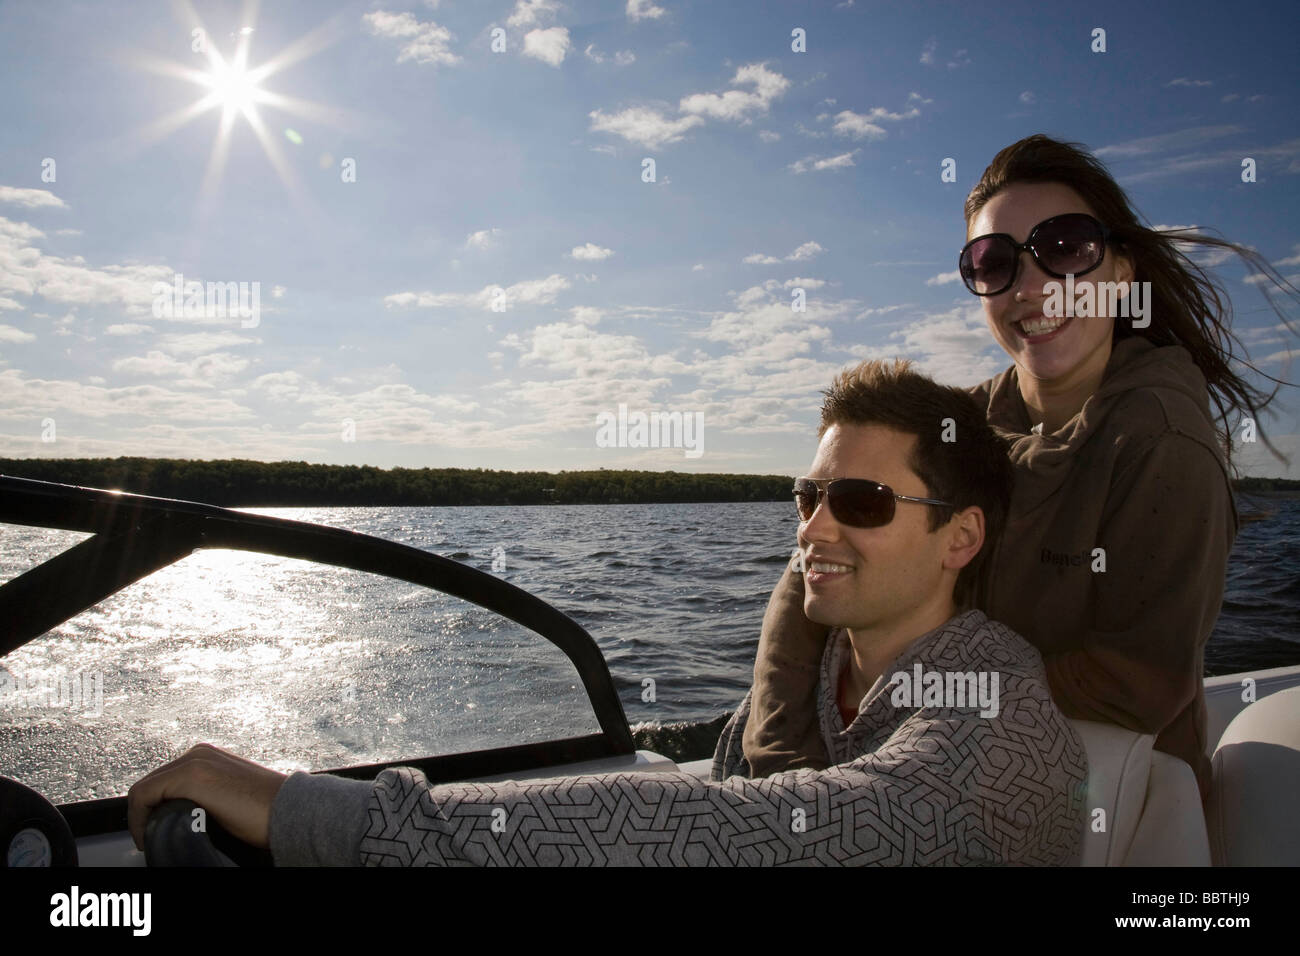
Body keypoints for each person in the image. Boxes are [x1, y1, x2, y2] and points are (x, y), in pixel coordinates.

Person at [127, 360, 1087, 866]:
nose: (815, 529)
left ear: (961, 538)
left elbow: (740, 836)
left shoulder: (994, 720)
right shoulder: (821, 684)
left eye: (863, 503)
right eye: (809, 495)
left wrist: (309, 813)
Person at [743, 134, 1298, 803]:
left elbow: (1137, 686)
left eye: (1065, 248)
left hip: (1109, 805)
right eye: (995, 262)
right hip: (915, 769)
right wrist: (783, 760)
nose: (1031, 289)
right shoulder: (962, 422)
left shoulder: (1164, 441)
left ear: (1122, 273)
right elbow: (807, 573)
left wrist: (909, 710)